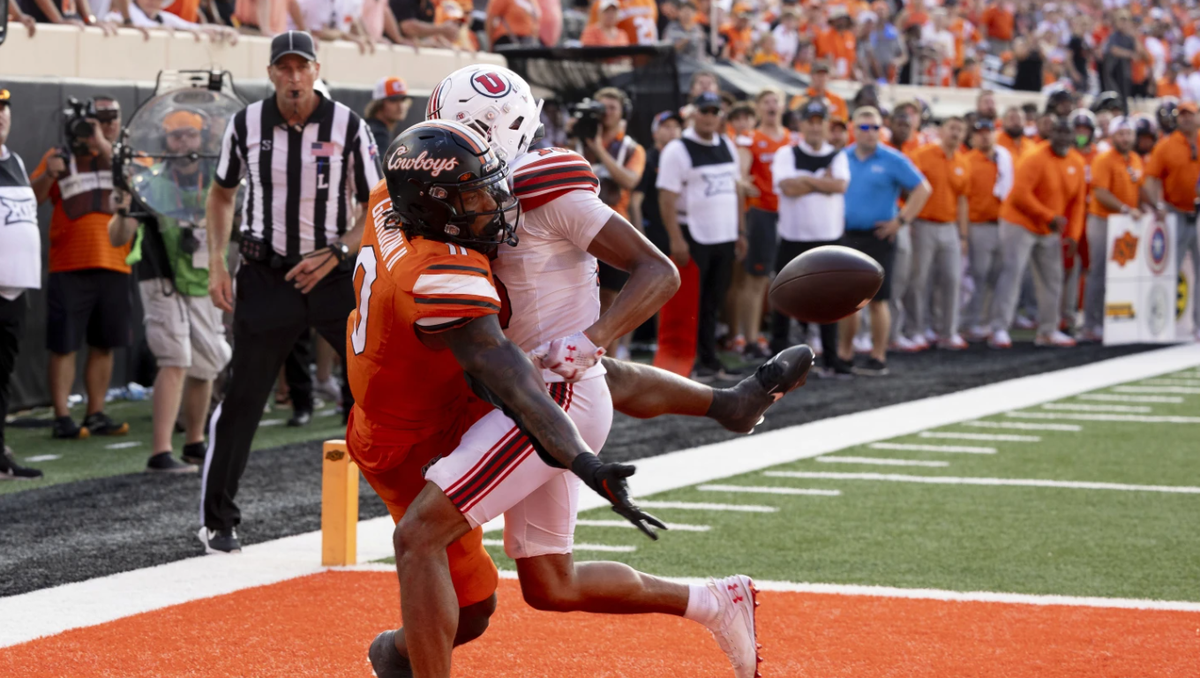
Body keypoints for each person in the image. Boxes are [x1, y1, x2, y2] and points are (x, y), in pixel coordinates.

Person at [367, 67, 817, 675]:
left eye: (477, 129)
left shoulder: (548, 183)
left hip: (550, 396)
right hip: (533, 383)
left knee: (420, 535)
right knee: (552, 585)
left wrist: (592, 336)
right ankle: (714, 600)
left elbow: (658, 270)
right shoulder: (445, 178)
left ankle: (731, 403)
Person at [199, 31, 383, 554]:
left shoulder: (348, 124)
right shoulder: (246, 123)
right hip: (265, 274)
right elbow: (220, 193)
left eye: (303, 67)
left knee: (377, 381)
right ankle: (219, 519)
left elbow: (377, 204)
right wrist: (216, 260)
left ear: (317, 70)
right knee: (242, 398)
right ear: (273, 72)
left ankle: (408, 498)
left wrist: (340, 252)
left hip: (330, 271)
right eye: (285, 67)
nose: (295, 76)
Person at [108, 110, 232, 473]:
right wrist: (121, 209)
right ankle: (160, 452)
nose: (183, 143)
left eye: (189, 135)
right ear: (165, 141)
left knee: (208, 361)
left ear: (202, 139)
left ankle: (195, 442)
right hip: (159, 275)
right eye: (175, 136)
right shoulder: (149, 182)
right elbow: (118, 237)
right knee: (175, 357)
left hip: (202, 277)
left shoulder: (218, 181)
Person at [30, 96, 132, 440]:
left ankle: (97, 412)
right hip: (69, 263)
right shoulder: (58, 154)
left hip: (115, 261)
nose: (105, 125)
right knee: (64, 344)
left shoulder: (123, 156)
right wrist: (48, 174)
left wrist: (102, 146)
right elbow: (32, 198)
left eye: (110, 119)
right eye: (97, 120)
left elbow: (138, 181)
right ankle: (62, 417)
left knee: (104, 343)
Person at [657, 91, 745, 382]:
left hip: (723, 233)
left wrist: (740, 231)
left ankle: (709, 358)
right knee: (688, 303)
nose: (709, 117)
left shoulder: (727, 145)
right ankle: (685, 360)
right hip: (693, 234)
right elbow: (666, 197)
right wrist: (676, 238)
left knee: (713, 301)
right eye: (704, 111)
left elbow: (735, 190)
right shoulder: (678, 150)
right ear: (693, 113)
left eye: (714, 111)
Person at [838, 106, 931, 376]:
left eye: (876, 127)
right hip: (847, 235)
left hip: (879, 236)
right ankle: (845, 353)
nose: (870, 133)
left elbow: (922, 188)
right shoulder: (842, 158)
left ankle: (878, 355)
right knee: (847, 301)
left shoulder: (893, 159)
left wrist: (901, 221)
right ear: (853, 129)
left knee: (879, 300)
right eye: (865, 127)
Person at [990, 116, 1086, 349]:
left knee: (1053, 278)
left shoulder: (1077, 162)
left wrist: (1073, 234)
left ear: (1073, 137)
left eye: (1067, 133)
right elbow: (1020, 195)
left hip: (1049, 227)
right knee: (1012, 273)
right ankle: (999, 329)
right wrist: (1049, 217)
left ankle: (1048, 330)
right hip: (1019, 222)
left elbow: (1078, 202)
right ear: (1050, 135)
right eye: (1058, 132)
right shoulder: (1034, 157)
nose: (1063, 137)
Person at [771, 99, 850, 376]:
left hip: (828, 238)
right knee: (785, 297)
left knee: (830, 301)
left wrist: (805, 180)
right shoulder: (786, 153)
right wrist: (821, 182)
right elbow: (787, 187)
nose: (815, 127)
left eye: (820, 121)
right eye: (811, 121)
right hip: (793, 238)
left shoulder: (838, 155)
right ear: (801, 124)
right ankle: (777, 359)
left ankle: (831, 357)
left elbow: (839, 185)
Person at [576, 87, 646, 357]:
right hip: (580, 228)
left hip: (614, 226)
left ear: (623, 113)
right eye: (600, 108)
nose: (604, 114)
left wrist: (597, 151)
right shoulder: (578, 141)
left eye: (611, 108)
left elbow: (629, 180)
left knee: (610, 300)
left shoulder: (631, 147)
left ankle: (610, 363)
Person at [0, 88, 44, 480]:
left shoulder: (14, 160)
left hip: (14, 291)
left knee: (2, 373)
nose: (0, 115)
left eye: (3, 107)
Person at [734, 88, 789, 360]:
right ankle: (751, 339)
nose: (772, 105)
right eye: (766, 101)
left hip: (790, 214)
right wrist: (742, 184)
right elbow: (741, 174)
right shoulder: (751, 138)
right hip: (762, 213)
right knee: (756, 278)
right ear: (758, 107)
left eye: (775, 100)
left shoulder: (793, 138)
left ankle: (784, 335)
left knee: (788, 277)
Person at [1081, 116, 1145, 343]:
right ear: (1112, 136)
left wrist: (1151, 207)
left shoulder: (1135, 158)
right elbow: (1100, 192)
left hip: (1125, 225)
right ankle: (1091, 323)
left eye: (1128, 134)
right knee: (1098, 272)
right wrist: (1126, 208)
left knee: (1122, 273)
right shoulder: (1104, 159)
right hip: (1103, 221)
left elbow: (1140, 187)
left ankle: (1115, 319)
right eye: (1121, 134)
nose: (1125, 138)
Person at [909, 116, 970, 350]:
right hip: (923, 223)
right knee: (919, 280)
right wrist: (910, 219)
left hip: (949, 226)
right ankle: (916, 329)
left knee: (952, 279)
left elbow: (963, 200)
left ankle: (948, 330)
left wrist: (963, 234)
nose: (955, 133)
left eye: (960, 130)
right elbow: (909, 189)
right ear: (942, 131)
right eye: (952, 128)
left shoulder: (963, 162)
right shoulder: (922, 155)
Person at [1144, 101, 1200, 341]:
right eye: (1182, 115)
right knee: (1168, 271)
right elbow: (1150, 179)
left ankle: (1198, 325)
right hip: (1175, 213)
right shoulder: (1166, 146)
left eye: (1190, 115)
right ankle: (1161, 323)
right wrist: (1157, 205)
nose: (1186, 119)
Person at [960, 117, 1014, 342]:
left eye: (988, 131)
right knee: (978, 276)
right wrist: (964, 232)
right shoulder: (968, 161)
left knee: (1000, 277)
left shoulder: (1004, 158)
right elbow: (962, 199)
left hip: (1003, 224)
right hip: (979, 224)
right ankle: (973, 322)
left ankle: (993, 322)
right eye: (980, 132)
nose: (984, 136)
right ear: (972, 137)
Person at [631, 110, 683, 255]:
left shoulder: (685, 158)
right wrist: (641, 239)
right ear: (655, 133)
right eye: (666, 126)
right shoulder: (648, 160)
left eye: (676, 126)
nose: (672, 131)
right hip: (656, 232)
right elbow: (635, 202)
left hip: (681, 229)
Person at [365, 76, 412, 151]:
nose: (400, 106)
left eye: (403, 99)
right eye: (393, 100)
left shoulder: (373, 128)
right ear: (378, 105)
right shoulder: (378, 134)